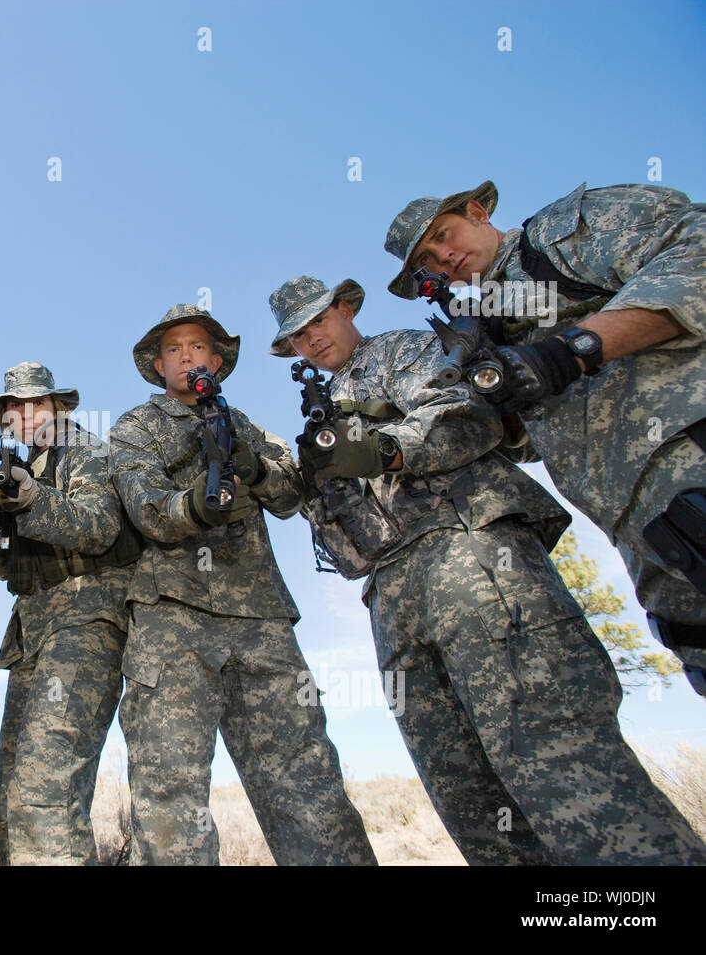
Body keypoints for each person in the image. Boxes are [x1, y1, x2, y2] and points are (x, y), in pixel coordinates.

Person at [270, 274, 706, 864]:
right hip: (389, 591)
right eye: (297, 336)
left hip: (467, 550)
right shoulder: (323, 403)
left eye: (317, 321)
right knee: (467, 792)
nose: (311, 340)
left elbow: (470, 414)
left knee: (555, 755)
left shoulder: (404, 350)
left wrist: (384, 448)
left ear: (345, 309)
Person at [385, 180, 706, 696]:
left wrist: (572, 350)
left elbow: (694, 249)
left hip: (690, 446)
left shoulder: (558, 235)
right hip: (635, 521)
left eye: (444, 236)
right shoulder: (485, 328)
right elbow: (537, 441)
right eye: (428, 261)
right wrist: (501, 408)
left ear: (477, 212)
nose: (443, 258)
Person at [108, 303, 376, 865]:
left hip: (261, 620)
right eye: (175, 350)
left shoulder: (245, 423)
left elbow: (294, 492)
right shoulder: (137, 426)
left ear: (217, 360)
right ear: (158, 366)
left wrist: (253, 467)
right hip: (171, 617)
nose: (188, 357)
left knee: (306, 780)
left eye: (198, 347)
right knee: (169, 793)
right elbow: (148, 509)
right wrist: (201, 504)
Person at [0, 361, 139, 865]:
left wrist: (30, 500)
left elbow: (97, 526)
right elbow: (4, 567)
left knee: (44, 785)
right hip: (30, 633)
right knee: (11, 791)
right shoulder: (23, 466)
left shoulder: (85, 450)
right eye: (13, 407)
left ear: (57, 407)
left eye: (35, 404)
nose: (24, 415)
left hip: (84, 622)